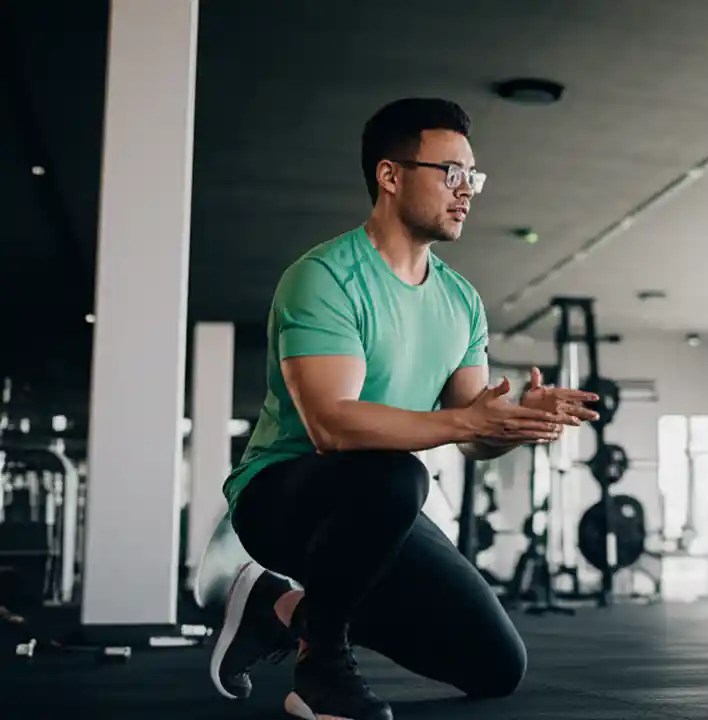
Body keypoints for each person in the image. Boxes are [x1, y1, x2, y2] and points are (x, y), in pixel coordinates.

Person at [206, 97, 599, 720]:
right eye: (451, 173)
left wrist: (515, 421)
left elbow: (473, 431)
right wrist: (471, 421)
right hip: (282, 499)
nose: (467, 191)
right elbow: (332, 425)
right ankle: (321, 671)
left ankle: (277, 609)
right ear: (390, 176)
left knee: (496, 667)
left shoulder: (461, 300)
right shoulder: (325, 277)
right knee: (396, 473)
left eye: (473, 176)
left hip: (380, 506)